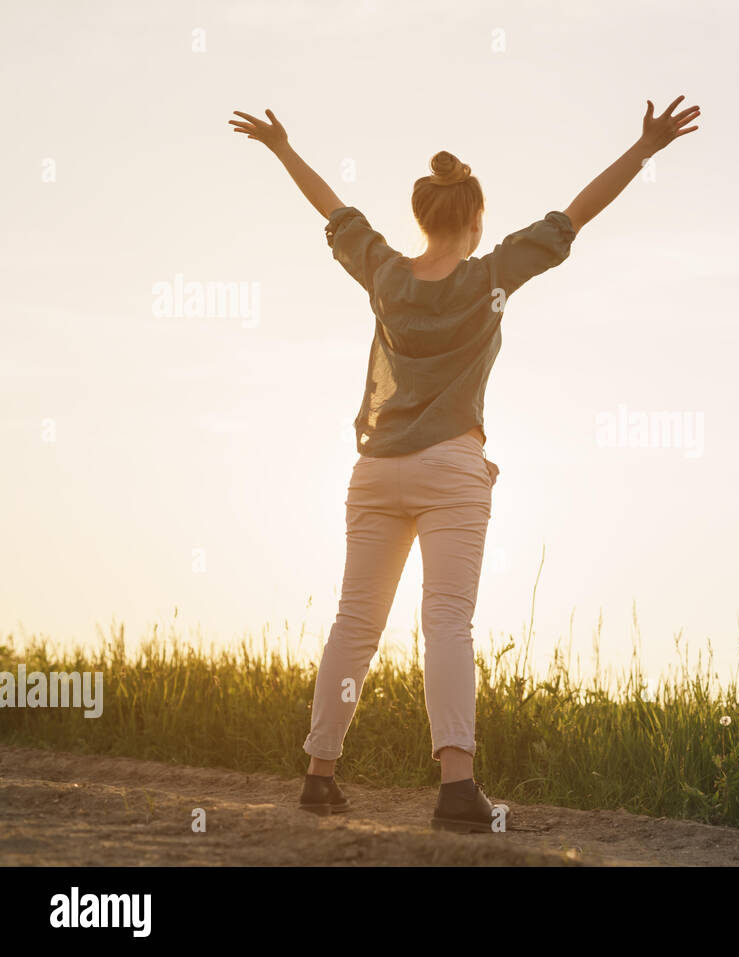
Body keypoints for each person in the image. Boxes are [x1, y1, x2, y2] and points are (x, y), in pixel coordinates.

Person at [228, 95, 701, 833]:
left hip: (377, 468)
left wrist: (282, 147)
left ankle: (319, 776)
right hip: (452, 467)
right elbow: (577, 214)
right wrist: (643, 150)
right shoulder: (493, 275)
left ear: (423, 216)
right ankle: (456, 788)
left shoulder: (384, 273)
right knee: (446, 619)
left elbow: (333, 211)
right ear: (475, 219)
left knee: (355, 621)